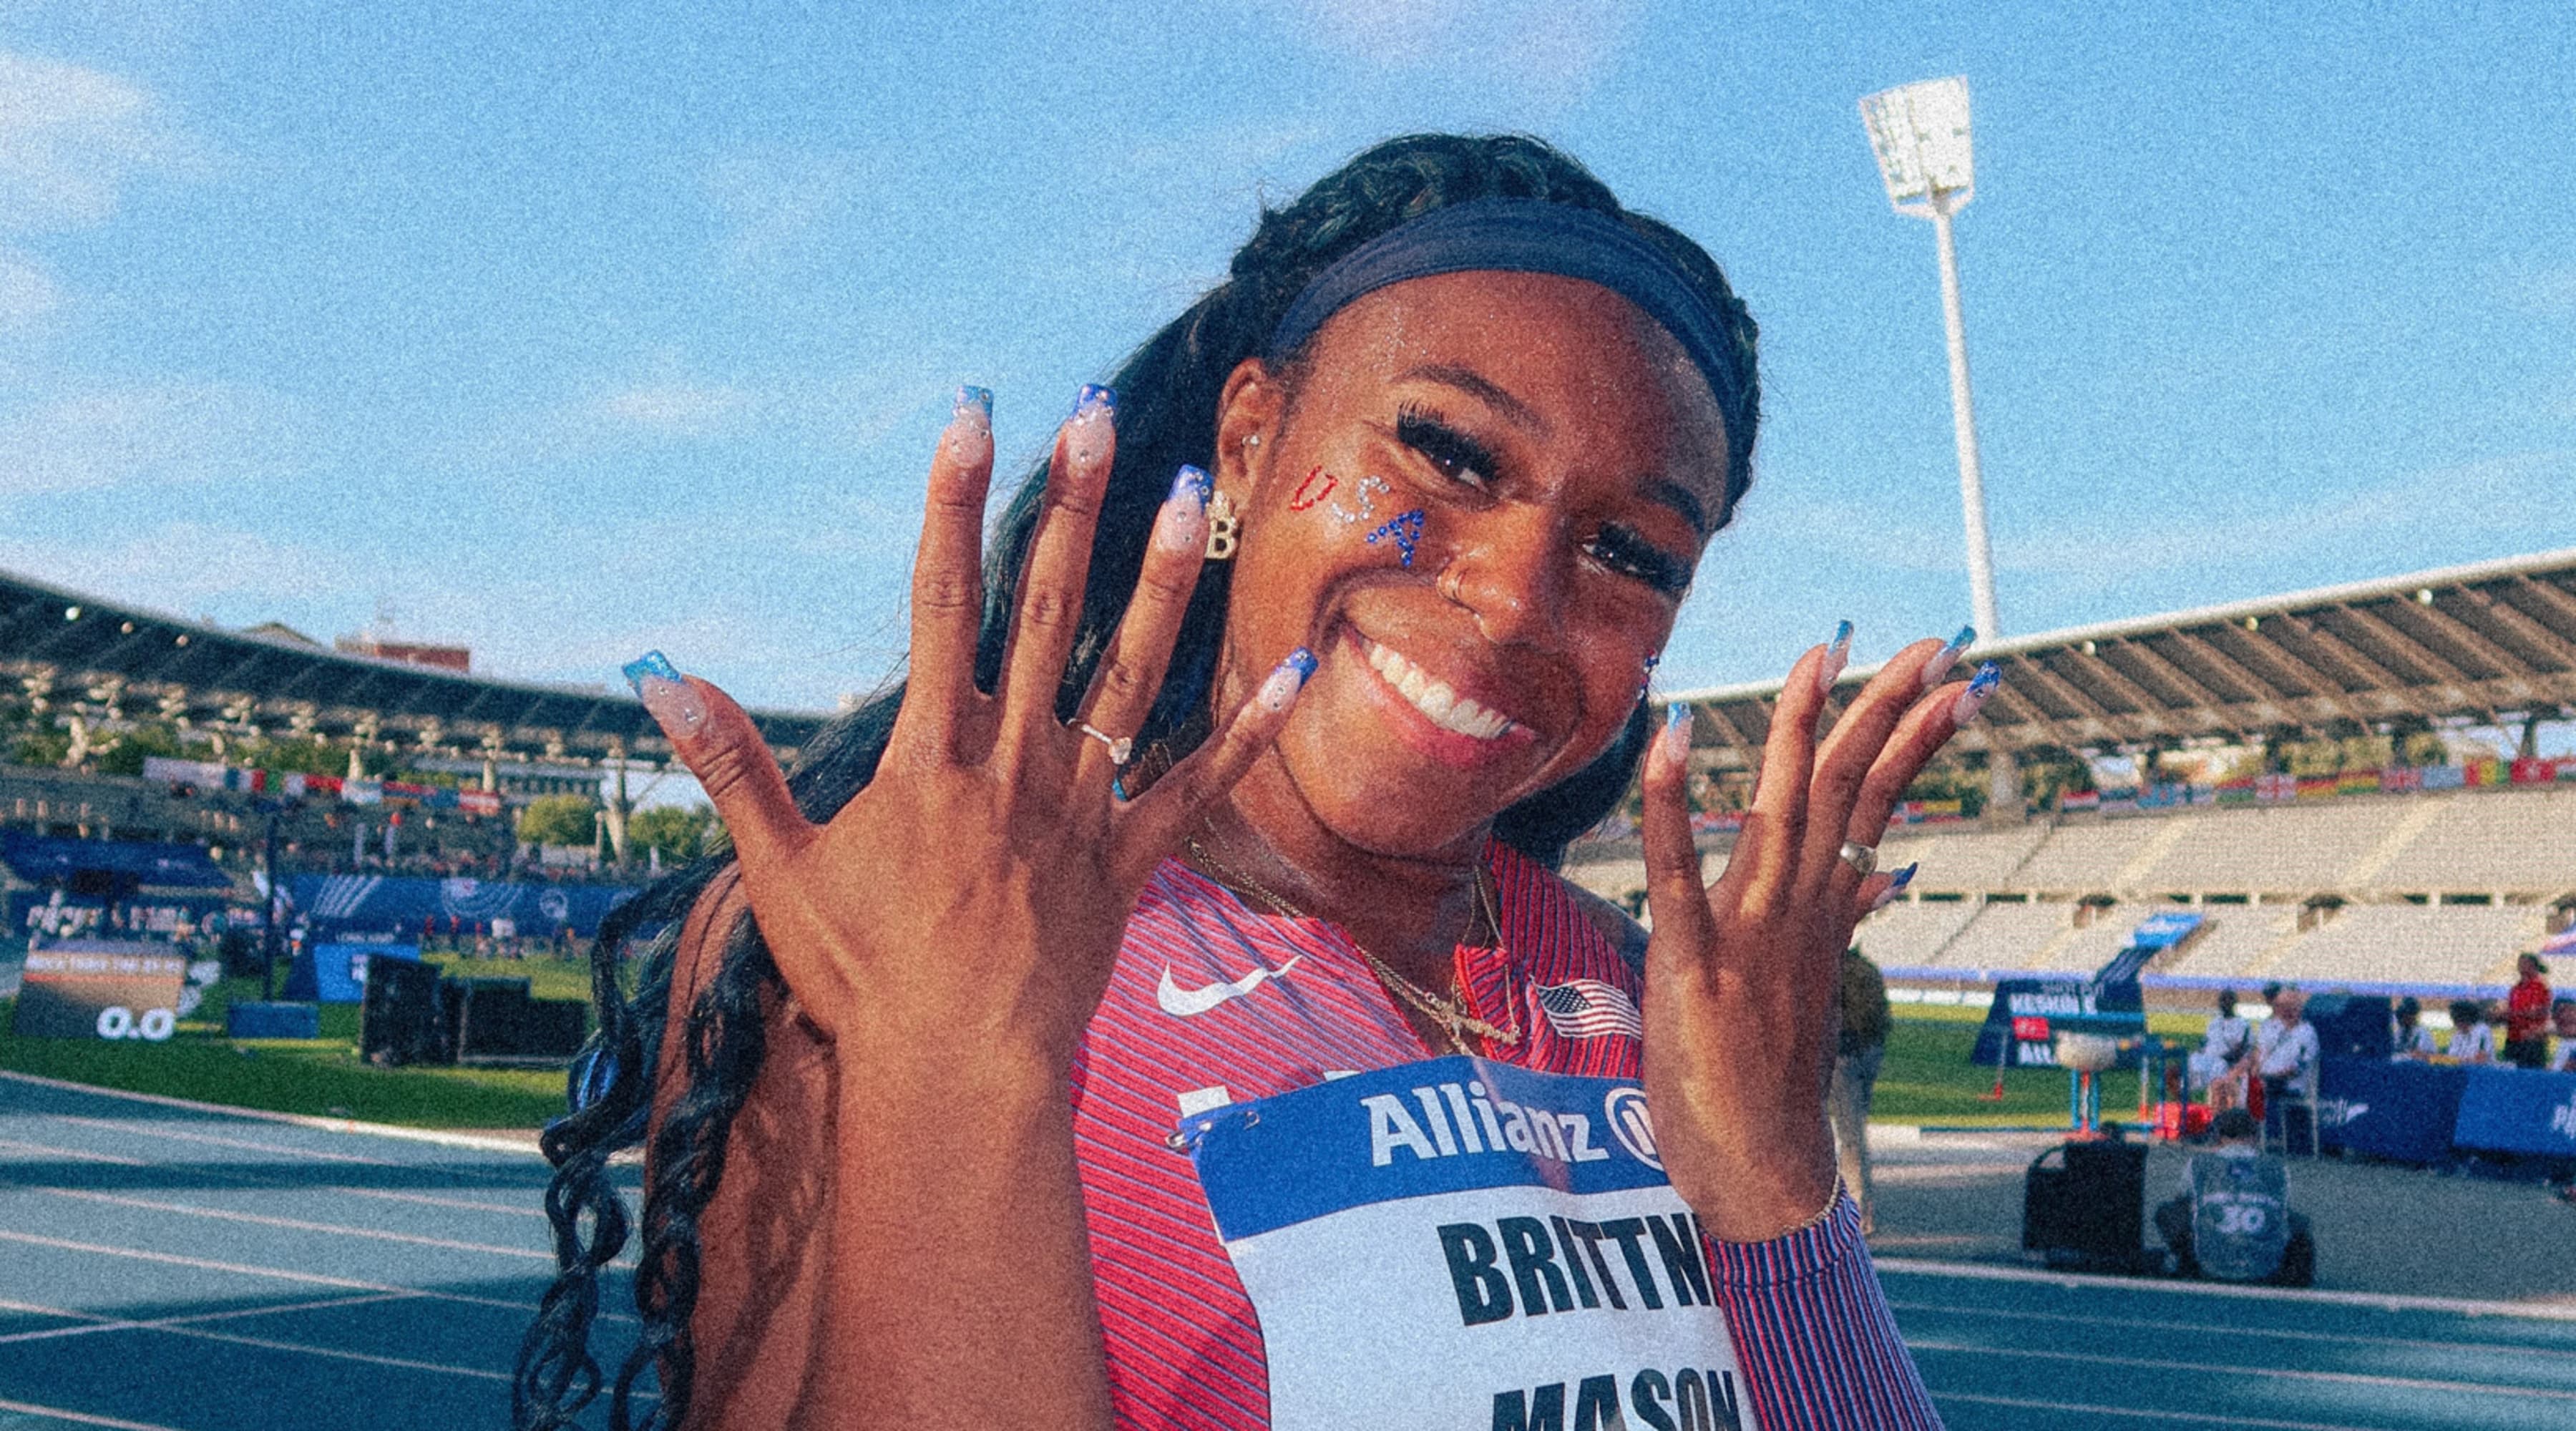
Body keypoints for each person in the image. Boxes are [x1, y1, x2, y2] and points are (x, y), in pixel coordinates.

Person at [514, 136, 1981, 1431]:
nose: (1519, 601)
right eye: (1451, 453)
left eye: (1631, 553)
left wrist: (1776, 1189)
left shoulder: (1654, 1007)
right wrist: (955, 1062)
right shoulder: (905, 910)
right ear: (1247, 434)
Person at [2152, 1108, 2315, 1285]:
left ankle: (2186, 1262)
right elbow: (2282, 1205)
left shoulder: (2199, 1164)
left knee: (2169, 1212)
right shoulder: (2276, 1167)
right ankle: (2292, 1275)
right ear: (2255, 1136)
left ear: (2218, 1136)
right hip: (2266, 1269)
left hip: (2209, 1265)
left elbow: (2181, 1199)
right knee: (2297, 1221)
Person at [1829, 944, 1893, 1236]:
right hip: (1869, 1052)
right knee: (1855, 1135)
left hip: (1846, 1055)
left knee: (1850, 1138)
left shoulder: (1837, 972)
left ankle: (1856, 1211)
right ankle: (1861, 1208)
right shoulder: (1866, 970)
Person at [2245, 989, 2318, 1152]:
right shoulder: (2272, 1028)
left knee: (2256, 1087)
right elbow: (2259, 1052)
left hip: (2290, 1084)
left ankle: (2254, 1138)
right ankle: (2240, 1136)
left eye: (2289, 1006)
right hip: (2267, 1079)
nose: (2284, 1010)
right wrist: (2254, 1066)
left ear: (2298, 1008)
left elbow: (2298, 1068)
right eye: (2281, 1006)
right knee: (2243, 1082)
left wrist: (2267, 1075)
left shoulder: (2307, 1033)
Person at [2190, 987, 2253, 1093]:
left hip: (2226, 1061)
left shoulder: (2242, 1024)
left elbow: (2239, 1050)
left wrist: (2220, 1057)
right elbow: (2205, 1041)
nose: (2224, 1003)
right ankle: (2185, 1100)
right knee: (2191, 1060)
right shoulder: (2214, 1023)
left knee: (2218, 1067)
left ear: (2234, 1003)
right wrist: (2199, 1050)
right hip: (2208, 1057)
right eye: (2222, 1000)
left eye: (2228, 1000)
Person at [2504, 954, 2553, 1070]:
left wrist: (2515, 1013)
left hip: (2532, 1039)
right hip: (2513, 1037)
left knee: (2532, 1073)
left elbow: (2541, 1012)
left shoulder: (2540, 986)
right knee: (2511, 1073)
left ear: (2533, 966)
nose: (2520, 967)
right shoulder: (2516, 988)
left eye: (2523, 963)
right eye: (2519, 963)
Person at [2446, 998, 2497, 1063]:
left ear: (2467, 1019)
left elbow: (2481, 1060)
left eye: (2457, 1020)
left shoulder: (2482, 1031)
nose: (2455, 1024)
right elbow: (2451, 1056)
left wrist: (2459, 1060)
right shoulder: (2457, 1035)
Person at [2392, 996, 2440, 1060]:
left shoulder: (2423, 1034)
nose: (2400, 1020)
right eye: (2400, 1016)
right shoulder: (2399, 1032)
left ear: (2412, 1016)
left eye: (2403, 1016)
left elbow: (2432, 1056)